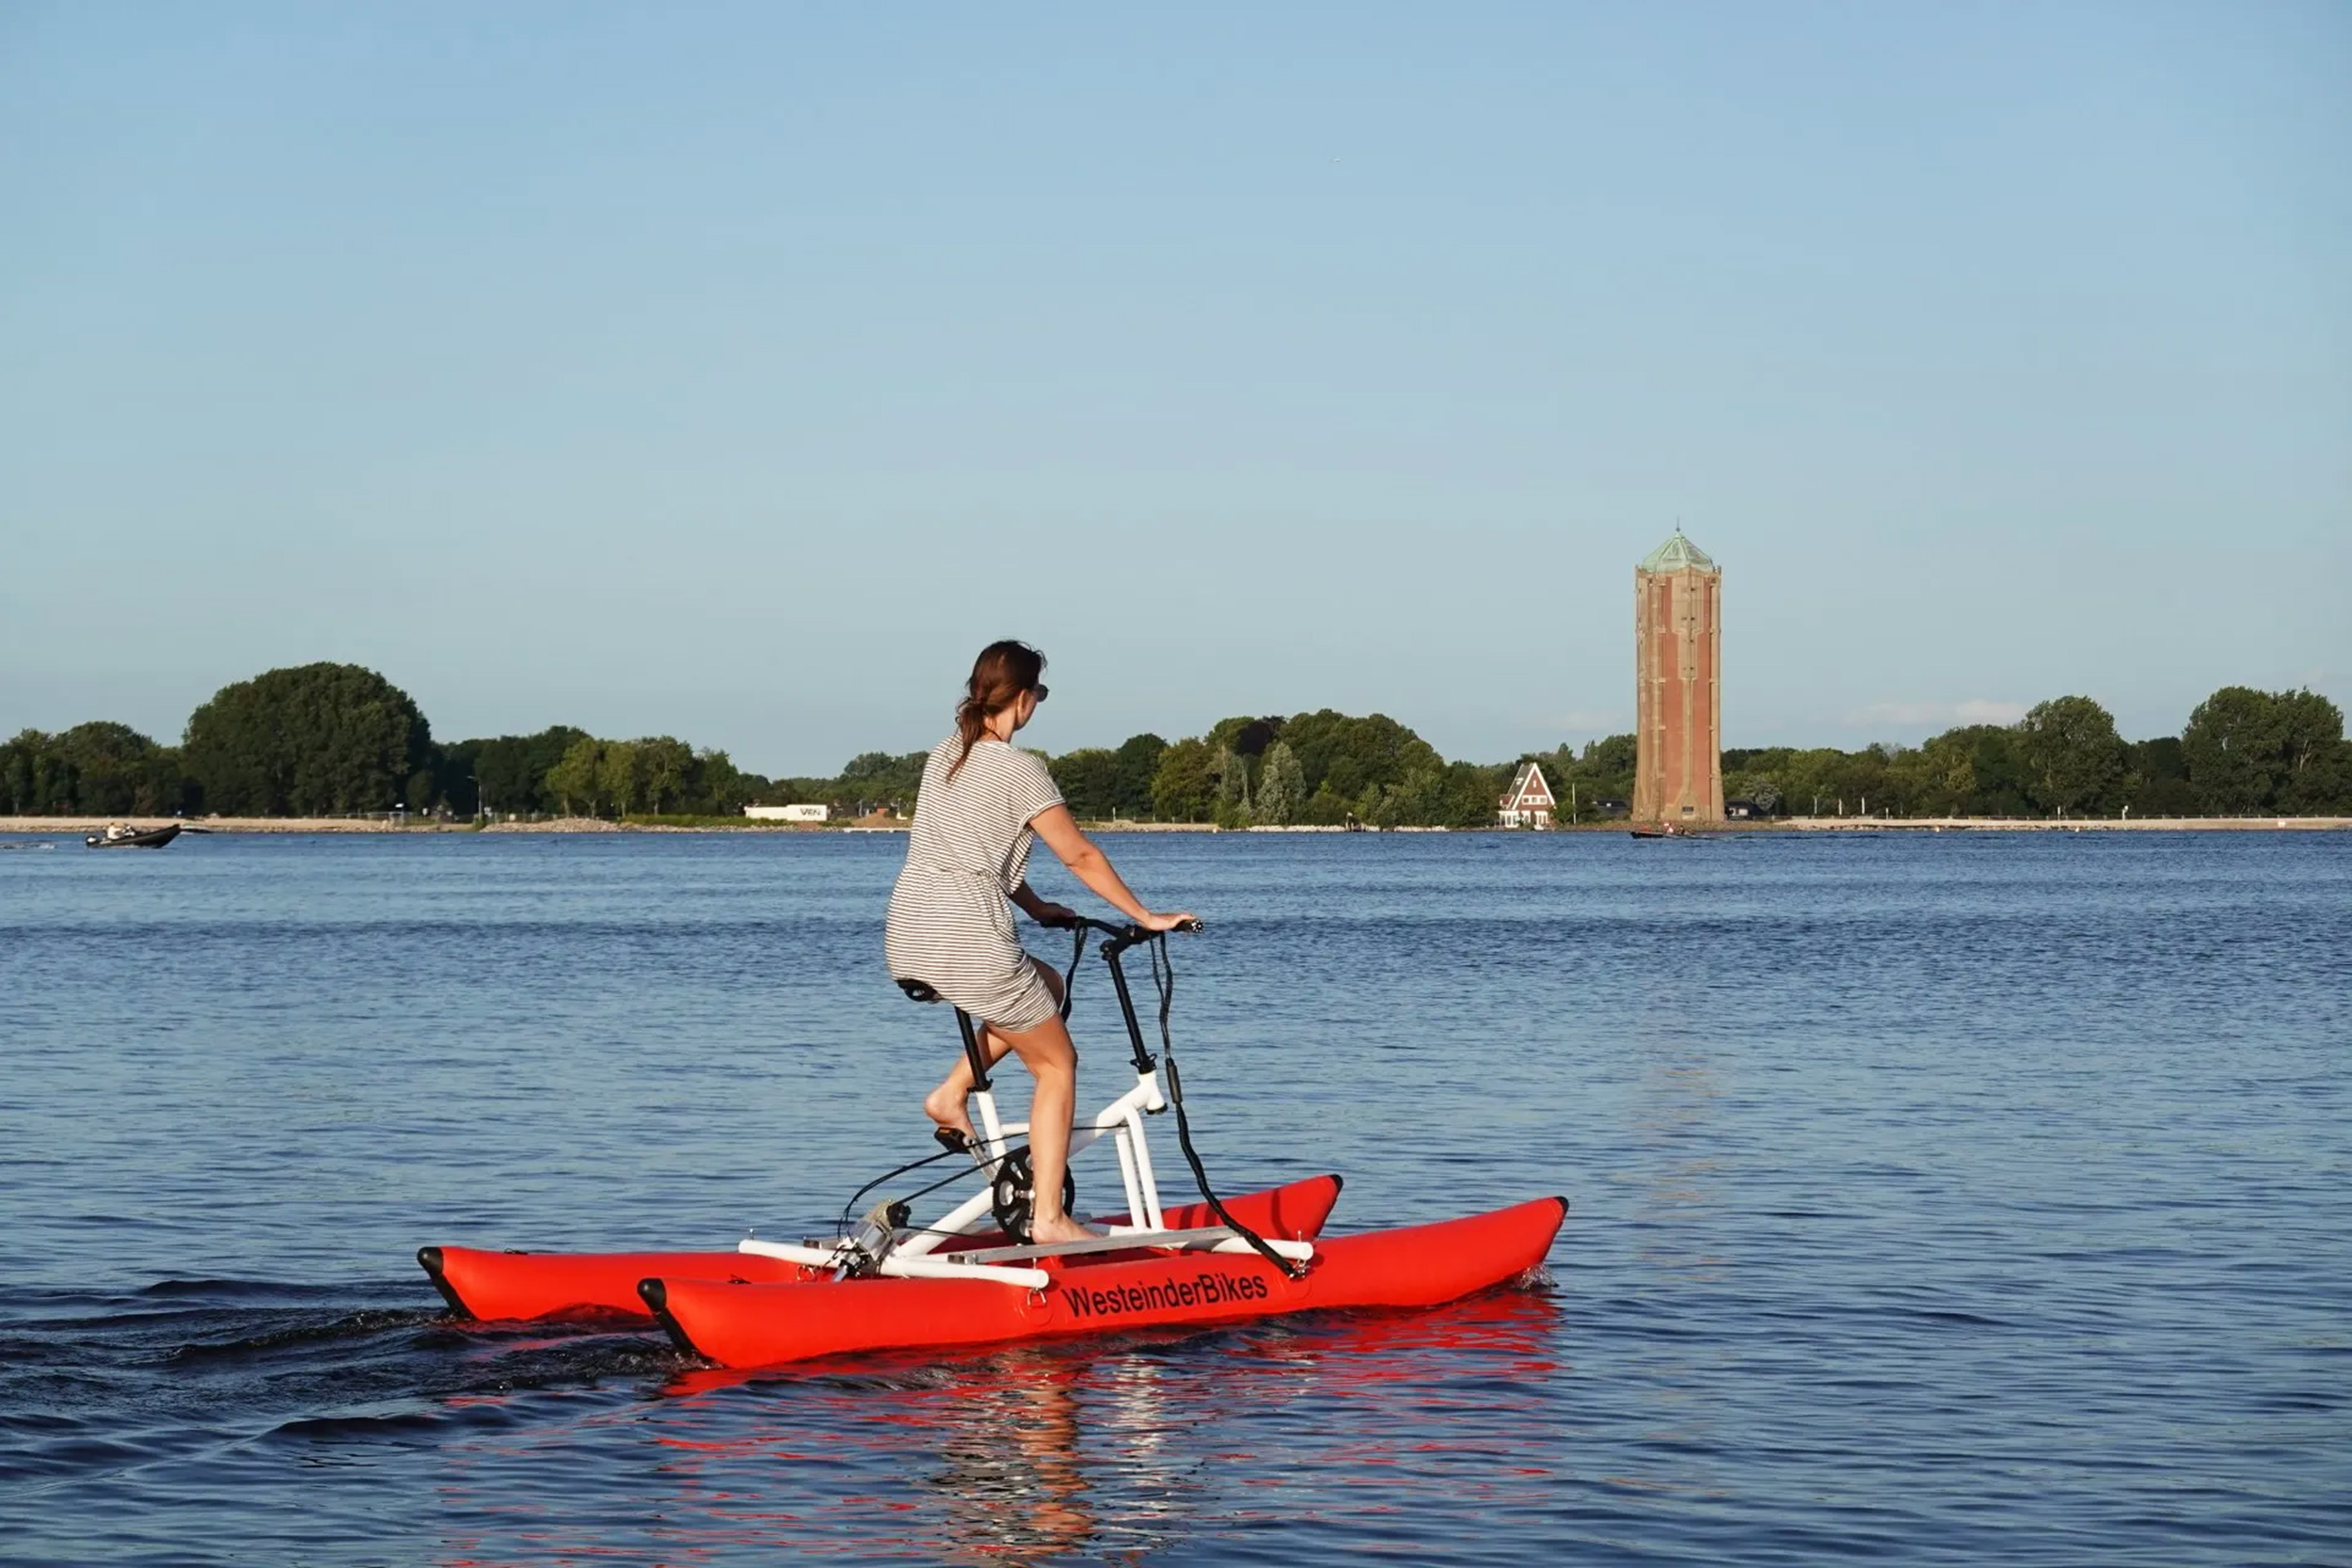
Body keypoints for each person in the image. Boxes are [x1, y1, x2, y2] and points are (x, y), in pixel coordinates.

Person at [885, 640, 1195, 1247]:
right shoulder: (1020, 770)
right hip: (969, 939)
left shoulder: (945, 755)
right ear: (1023, 699)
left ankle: (951, 1091)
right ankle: (1048, 1215)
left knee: (1046, 985)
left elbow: (970, 853)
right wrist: (1145, 915)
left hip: (910, 931)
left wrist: (1034, 906)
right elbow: (1079, 853)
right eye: (1039, 695)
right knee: (1057, 1063)